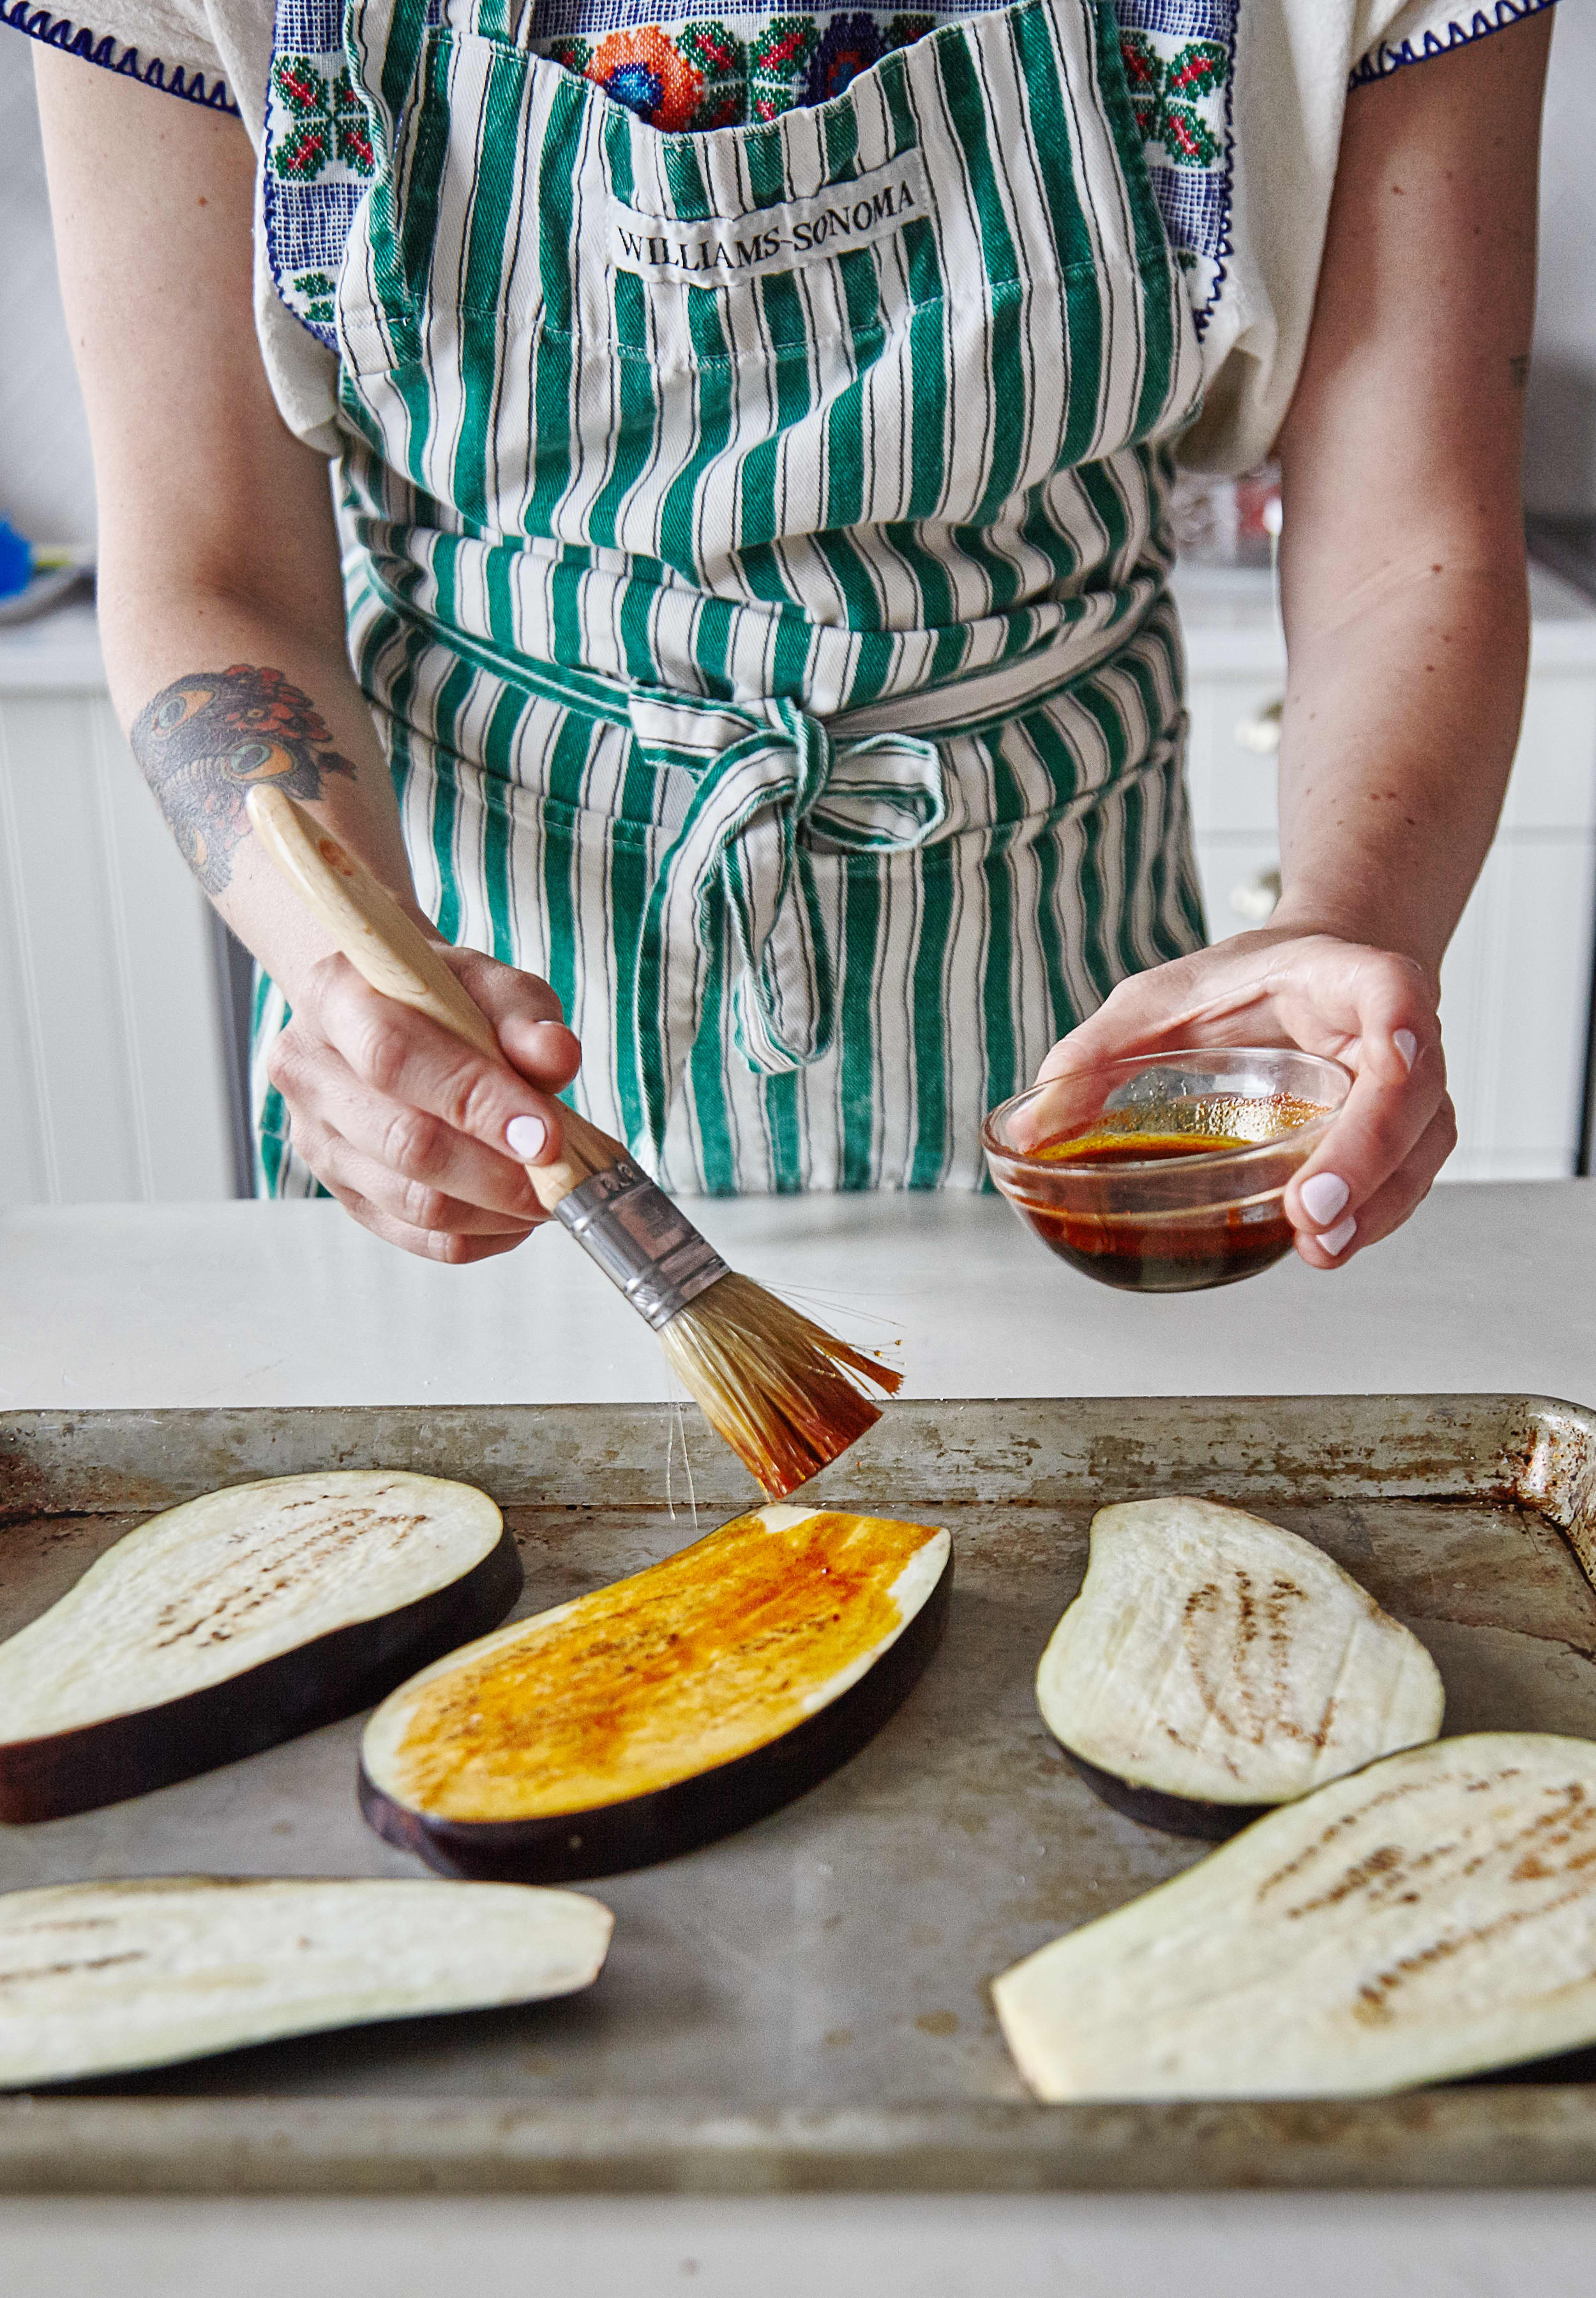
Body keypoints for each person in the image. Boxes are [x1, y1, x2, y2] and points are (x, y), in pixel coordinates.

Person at [17, 0, 1555, 1267]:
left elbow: (1407, 541)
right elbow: (213, 562)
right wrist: (349, 974)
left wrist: (1337, 924)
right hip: (461, 1061)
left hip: (1084, 1050)